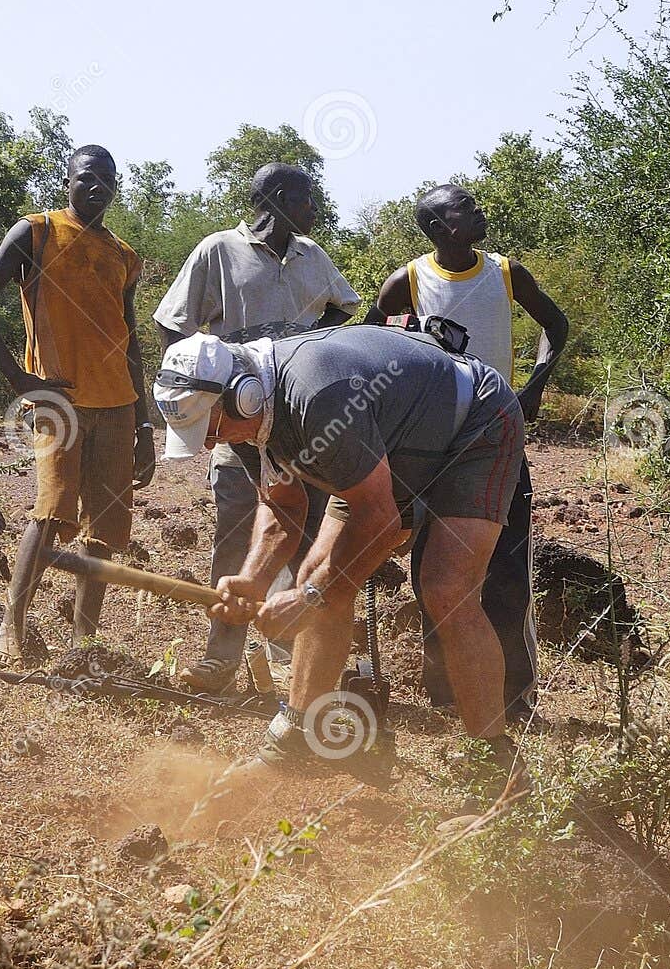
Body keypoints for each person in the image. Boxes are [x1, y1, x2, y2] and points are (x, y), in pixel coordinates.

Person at [153, 324, 528, 807]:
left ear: (242, 395)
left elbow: (380, 520)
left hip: (475, 423)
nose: (209, 445)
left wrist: (309, 598)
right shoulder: (248, 418)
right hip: (389, 439)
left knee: (445, 590)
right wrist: (254, 579)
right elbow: (282, 505)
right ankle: (296, 738)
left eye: (212, 430)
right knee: (317, 580)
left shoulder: (317, 397)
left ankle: (496, 773)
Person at [365, 184, 568, 722]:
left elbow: (556, 325)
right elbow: (371, 340)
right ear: (438, 228)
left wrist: (535, 385)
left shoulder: (505, 272)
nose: (479, 213)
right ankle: (447, 695)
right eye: (465, 208)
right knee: (433, 570)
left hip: (497, 440)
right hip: (432, 445)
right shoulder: (408, 280)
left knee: (507, 569)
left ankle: (515, 697)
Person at [153, 164, 359, 693]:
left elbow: (345, 309)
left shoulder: (312, 256)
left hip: (303, 423)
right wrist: (196, 399)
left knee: (307, 536)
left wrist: (311, 345)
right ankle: (220, 659)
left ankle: (293, 661)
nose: (314, 207)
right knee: (237, 537)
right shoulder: (219, 250)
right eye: (307, 197)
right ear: (280, 198)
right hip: (237, 419)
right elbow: (172, 324)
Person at [0, 145, 155, 661]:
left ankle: (83, 645)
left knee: (104, 529)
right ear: (67, 181)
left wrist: (144, 426)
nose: (97, 187)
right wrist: (18, 379)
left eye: (107, 179)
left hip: (118, 405)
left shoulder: (124, 255)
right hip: (59, 403)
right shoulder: (37, 231)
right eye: (86, 177)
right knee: (50, 511)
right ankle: (11, 629)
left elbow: (129, 341)